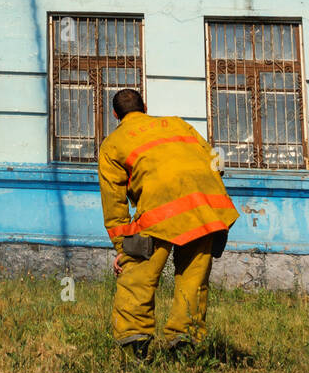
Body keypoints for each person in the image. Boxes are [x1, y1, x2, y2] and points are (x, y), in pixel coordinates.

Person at [98, 88, 238, 359]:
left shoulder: (113, 144)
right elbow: (216, 163)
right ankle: (185, 345)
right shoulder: (178, 124)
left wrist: (123, 248)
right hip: (205, 208)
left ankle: (134, 346)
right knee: (193, 279)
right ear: (145, 107)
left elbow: (114, 202)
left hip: (159, 212)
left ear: (115, 115)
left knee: (137, 279)